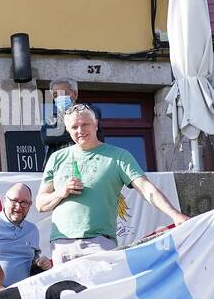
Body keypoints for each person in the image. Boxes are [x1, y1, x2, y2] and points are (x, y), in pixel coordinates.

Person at [35, 104, 188, 264]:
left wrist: (175, 215)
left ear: (96, 124)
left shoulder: (119, 155)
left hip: (99, 242)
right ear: (67, 130)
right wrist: (61, 192)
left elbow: (145, 188)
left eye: (85, 124)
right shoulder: (57, 158)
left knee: (105, 290)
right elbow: (40, 204)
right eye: (74, 127)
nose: (80, 130)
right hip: (62, 244)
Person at [0, 183, 52, 287]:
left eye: (24, 202)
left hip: (25, 295)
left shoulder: (32, 230)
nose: (19, 206)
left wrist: (41, 265)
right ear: (5, 200)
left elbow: (32, 266)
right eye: (15, 200)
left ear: (30, 205)